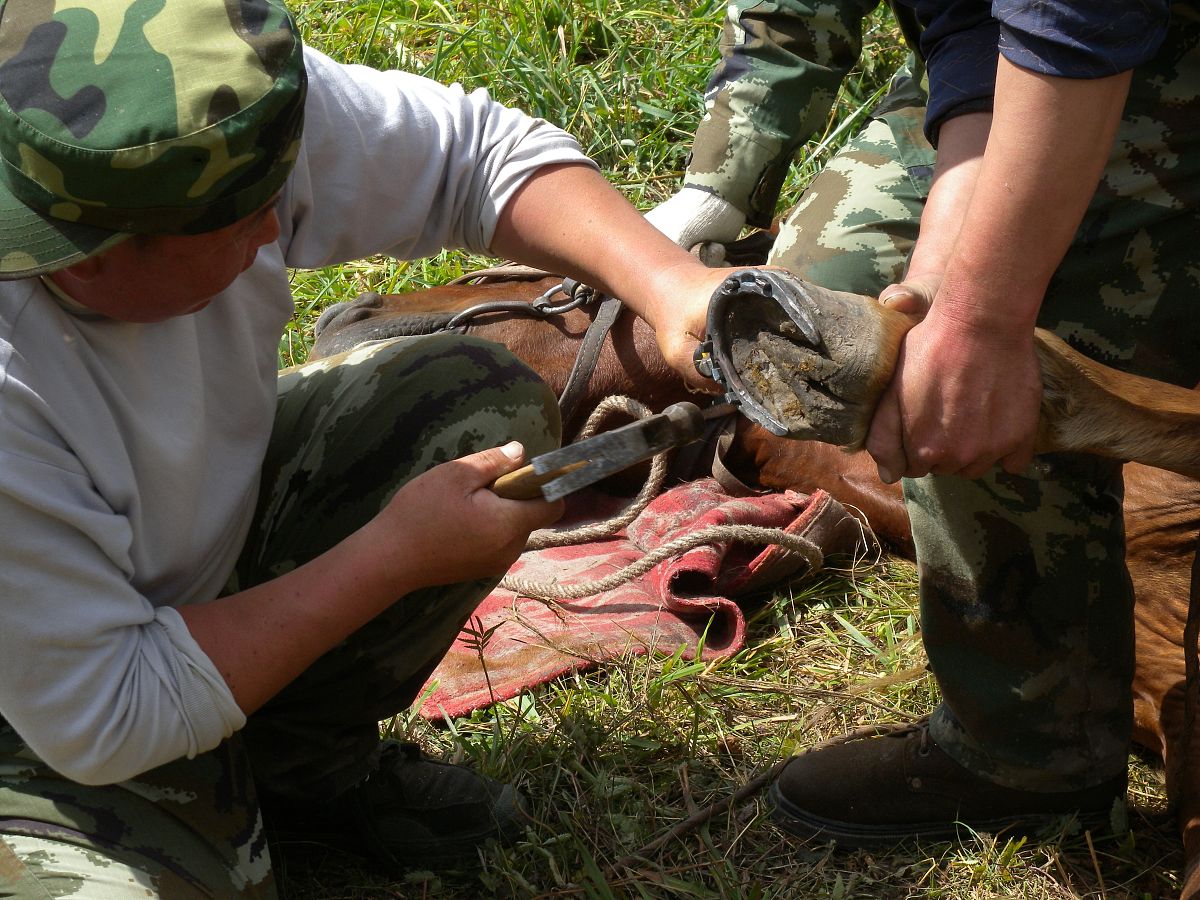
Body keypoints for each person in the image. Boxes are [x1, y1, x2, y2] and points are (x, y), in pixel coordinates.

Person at [0, 1, 732, 896]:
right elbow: (104, 715)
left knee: (463, 405)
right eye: (241, 223)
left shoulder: (181, 126)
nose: (277, 229)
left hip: (154, 593)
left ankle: (296, 771)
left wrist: (674, 286)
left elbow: (474, 155)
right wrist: (390, 556)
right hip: (44, 719)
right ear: (82, 255)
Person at [653, 0, 1200, 850]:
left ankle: (1028, 741)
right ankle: (1032, 737)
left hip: (1118, 38)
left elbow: (1077, 21)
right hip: (1023, 56)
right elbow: (966, 22)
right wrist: (716, 196)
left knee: (1000, 345)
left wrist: (985, 319)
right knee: (841, 330)